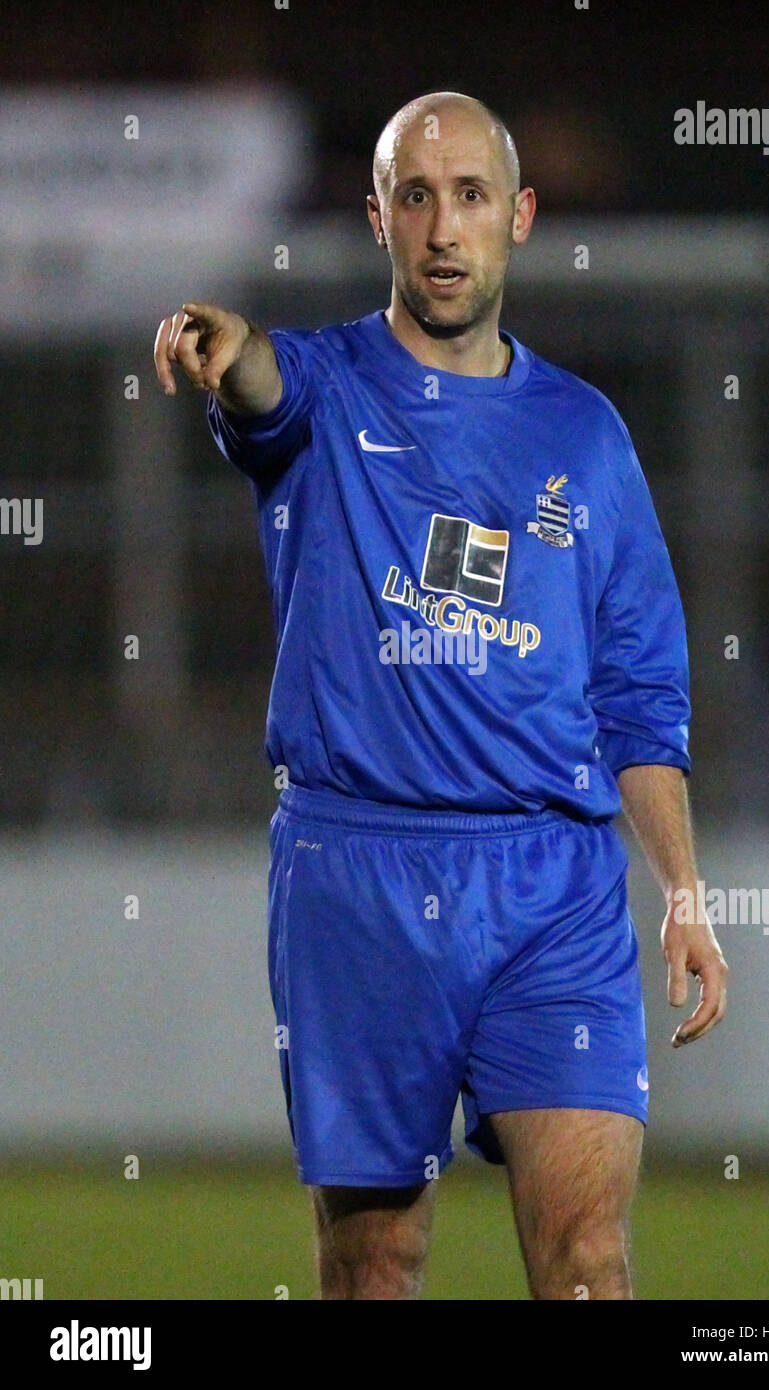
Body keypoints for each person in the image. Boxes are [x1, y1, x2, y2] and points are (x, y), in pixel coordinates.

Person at [153, 90, 728, 1301]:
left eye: (469, 195)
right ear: (377, 218)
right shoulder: (324, 387)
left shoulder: (584, 433)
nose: (441, 227)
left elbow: (638, 695)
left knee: (583, 1260)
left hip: (551, 890)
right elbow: (259, 385)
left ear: (517, 217)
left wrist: (680, 888)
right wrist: (225, 343)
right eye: (414, 196)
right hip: (356, 874)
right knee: (375, 1261)